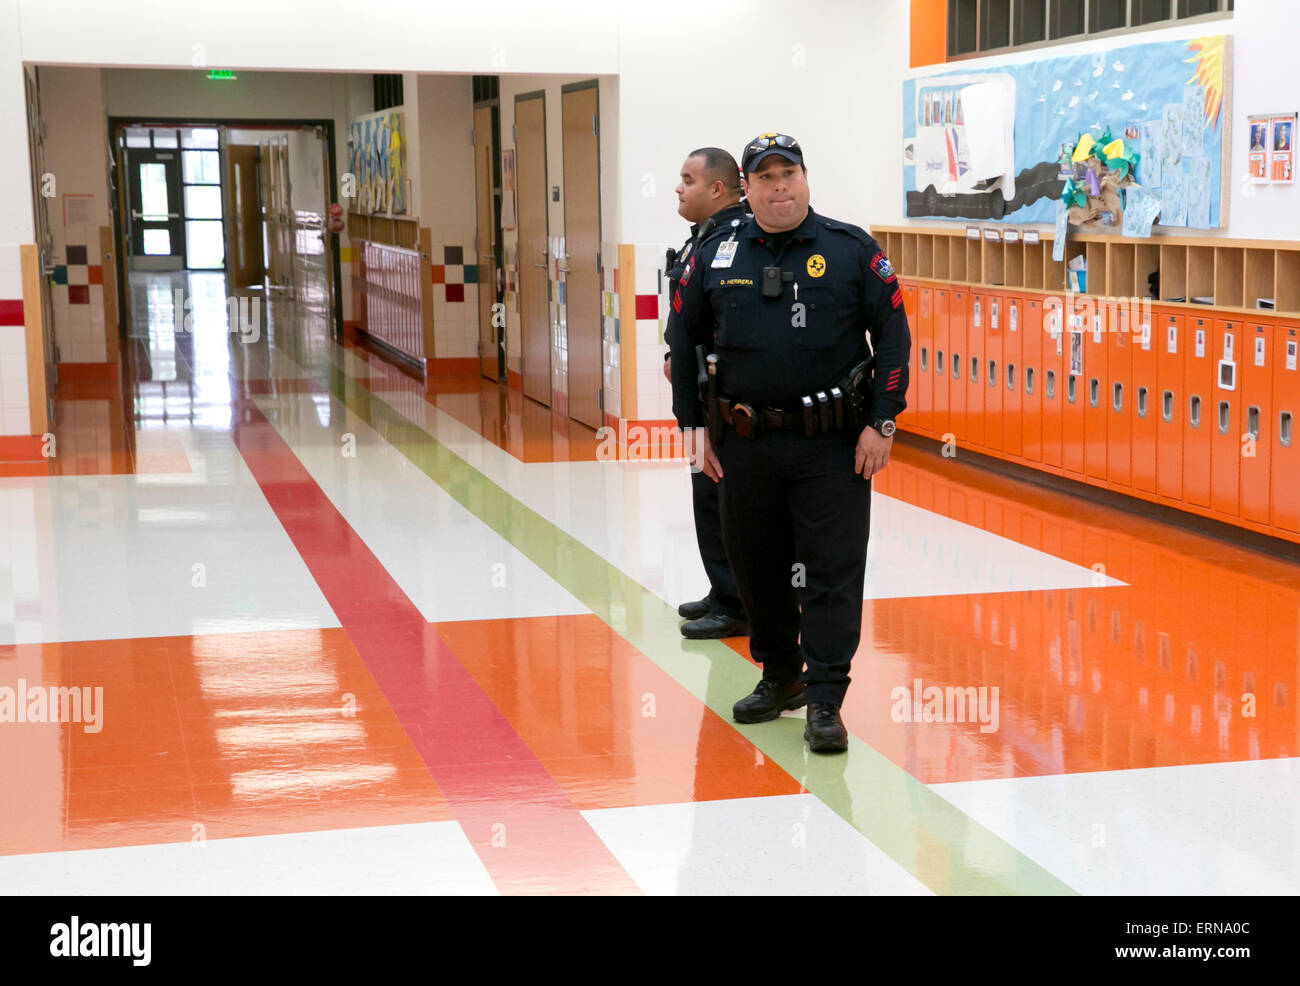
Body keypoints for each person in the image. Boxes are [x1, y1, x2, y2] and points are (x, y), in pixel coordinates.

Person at [667, 133, 910, 753]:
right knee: (756, 567)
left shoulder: (850, 250)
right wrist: (693, 431)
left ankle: (826, 699)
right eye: (766, 177)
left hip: (831, 448)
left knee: (831, 572)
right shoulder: (718, 253)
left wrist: (882, 423)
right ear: (745, 188)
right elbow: (683, 336)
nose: (780, 186)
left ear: (805, 179)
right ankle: (780, 676)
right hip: (744, 443)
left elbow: (894, 337)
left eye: (789, 174)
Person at [662, 148, 751, 639]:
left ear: (717, 189)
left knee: (722, 497)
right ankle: (722, 591)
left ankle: (738, 604)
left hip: (720, 396)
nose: (678, 187)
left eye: (687, 179)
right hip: (698, 394)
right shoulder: (703, 239)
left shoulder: (733, 241)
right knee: (706, 494)